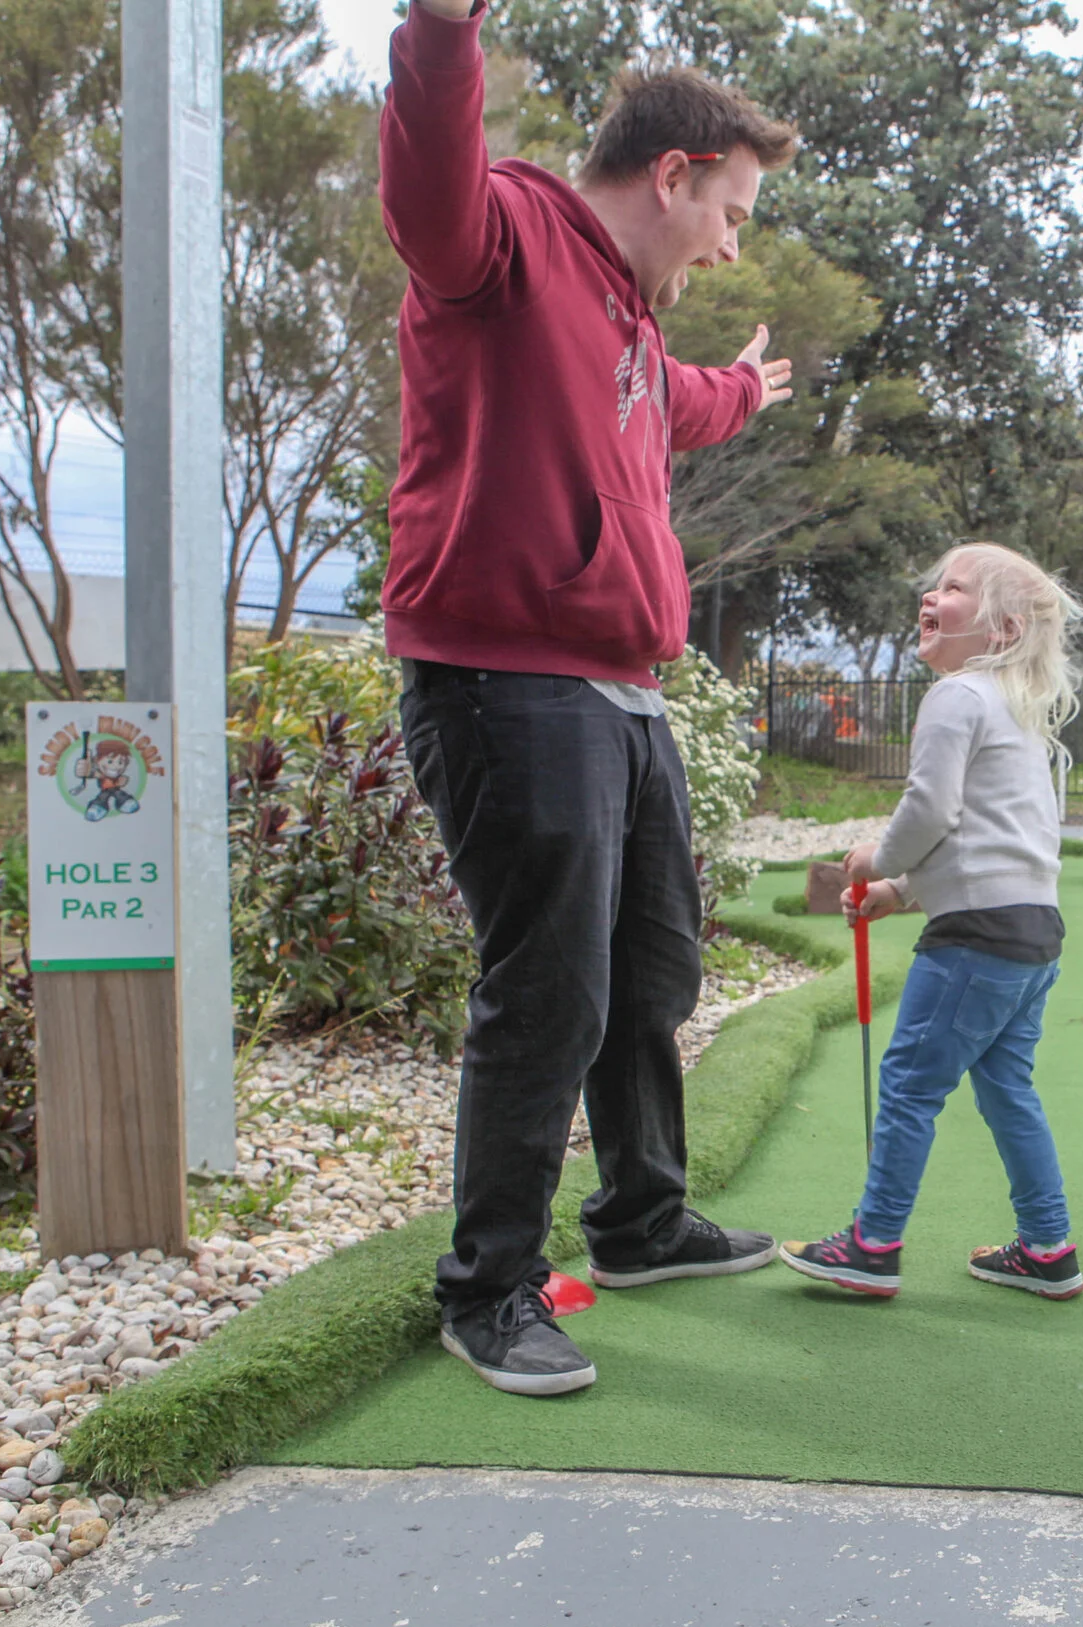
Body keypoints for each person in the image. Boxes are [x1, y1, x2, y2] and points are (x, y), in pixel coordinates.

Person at [378, 0, 804, 1397]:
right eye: (730, 213)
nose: (732, 245)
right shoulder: (506, 241)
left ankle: (640, 1219)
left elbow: (676, 401)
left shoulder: (624, 324)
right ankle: (489, 1288)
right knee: (549, 995)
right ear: (672, 175)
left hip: (622, 693)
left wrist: (742, 391)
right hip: (505, 682)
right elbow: (428, 189)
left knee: (652, 974)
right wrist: (442, 31)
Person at [779, 544, 1083, 1301]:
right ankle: (1048, 1247)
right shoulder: (1019, 714)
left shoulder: (958, 696)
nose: (930, 596)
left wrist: (876, 861)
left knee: (909, 1086)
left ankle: (872, 1245)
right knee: (1007, 1089)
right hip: (1033, 935)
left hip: (975, 942)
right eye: (933, 585)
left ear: (1003, 628)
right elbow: (989, 843)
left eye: (953, 588)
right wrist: (901, 890)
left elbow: (929, 810)